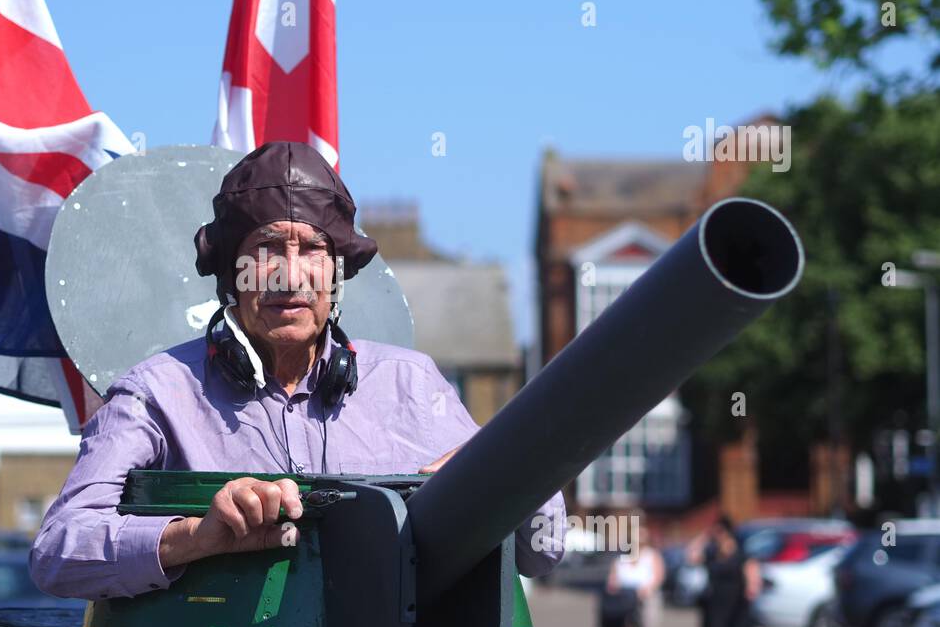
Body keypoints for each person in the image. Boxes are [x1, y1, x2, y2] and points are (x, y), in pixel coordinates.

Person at [30, 141, 567, 600]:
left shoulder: (411, 381)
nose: (291, 275)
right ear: (229, 272)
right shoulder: (155, 392)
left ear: (336, 273)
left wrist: (504, 474)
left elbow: (542, 552)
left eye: (312, 249)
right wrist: (196, 536)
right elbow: (58, 549)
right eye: (266, 248)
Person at [685, 516, 761, 627]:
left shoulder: (741, 554)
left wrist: (751, 589)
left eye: (719, 532)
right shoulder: (711, 553)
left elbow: (752, 575)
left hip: (737, 606)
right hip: (714, 606)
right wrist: (704, 537)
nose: (717, 536)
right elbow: (690, 556)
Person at [598, 517, 664, 627]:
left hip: (644, 600)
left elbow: (658, 577)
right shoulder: (621, 558)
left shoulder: (651, 556)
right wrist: (613, 588)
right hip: (623, 601)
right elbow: (612, 580)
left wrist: (646, 589)